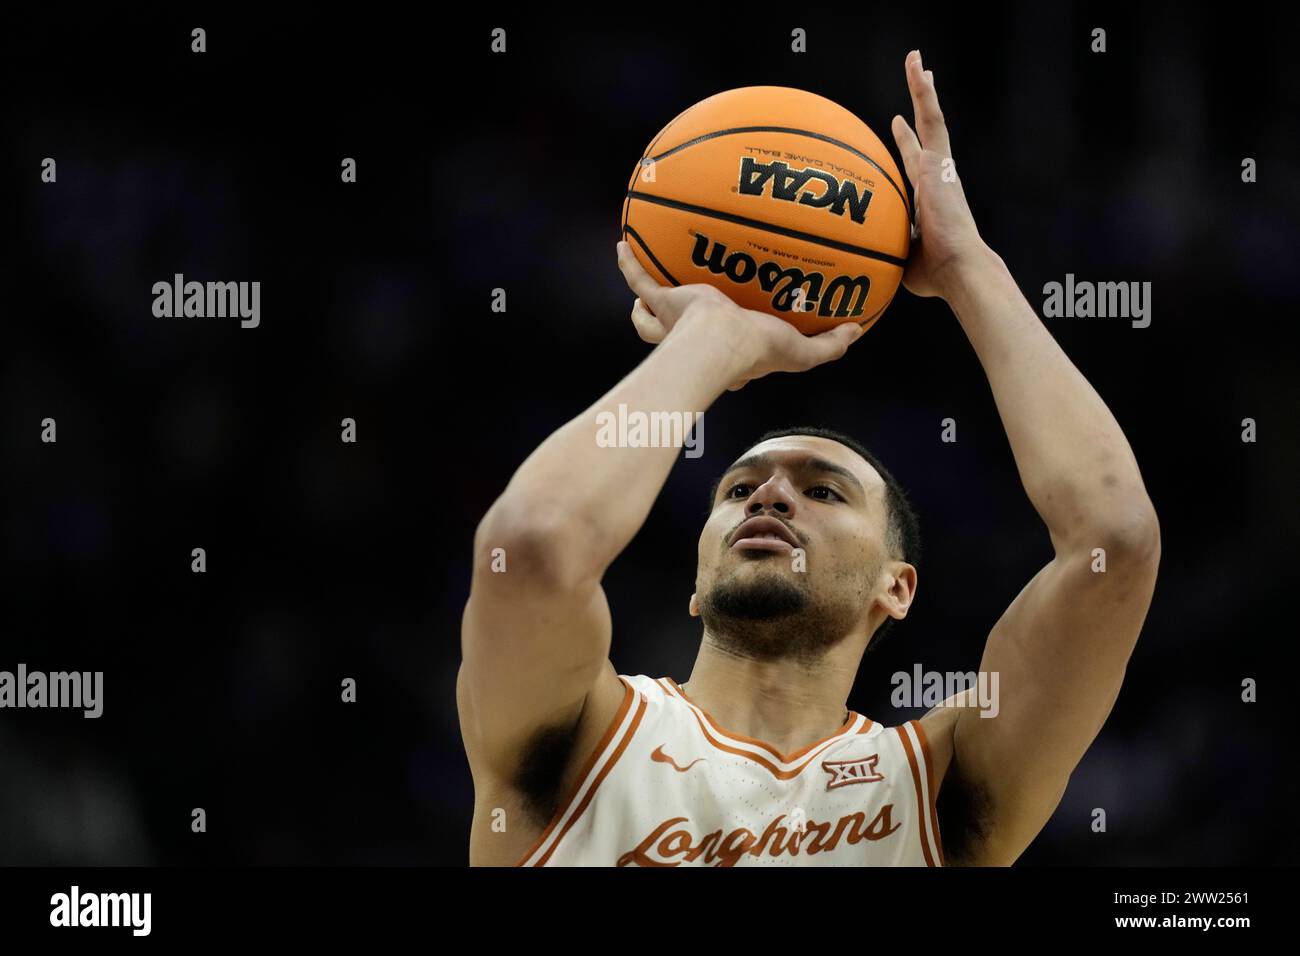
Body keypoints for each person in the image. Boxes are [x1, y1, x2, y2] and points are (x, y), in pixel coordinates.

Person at [457, 49, 1160, 866]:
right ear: (694, 577)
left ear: (896, 588)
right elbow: (533, 544)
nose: (770, 498)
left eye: (825, 491)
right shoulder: (581, 736)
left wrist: (971, 269)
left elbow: (1116, 542)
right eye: (739, 488)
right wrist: (712, 338)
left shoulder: (941, 788)